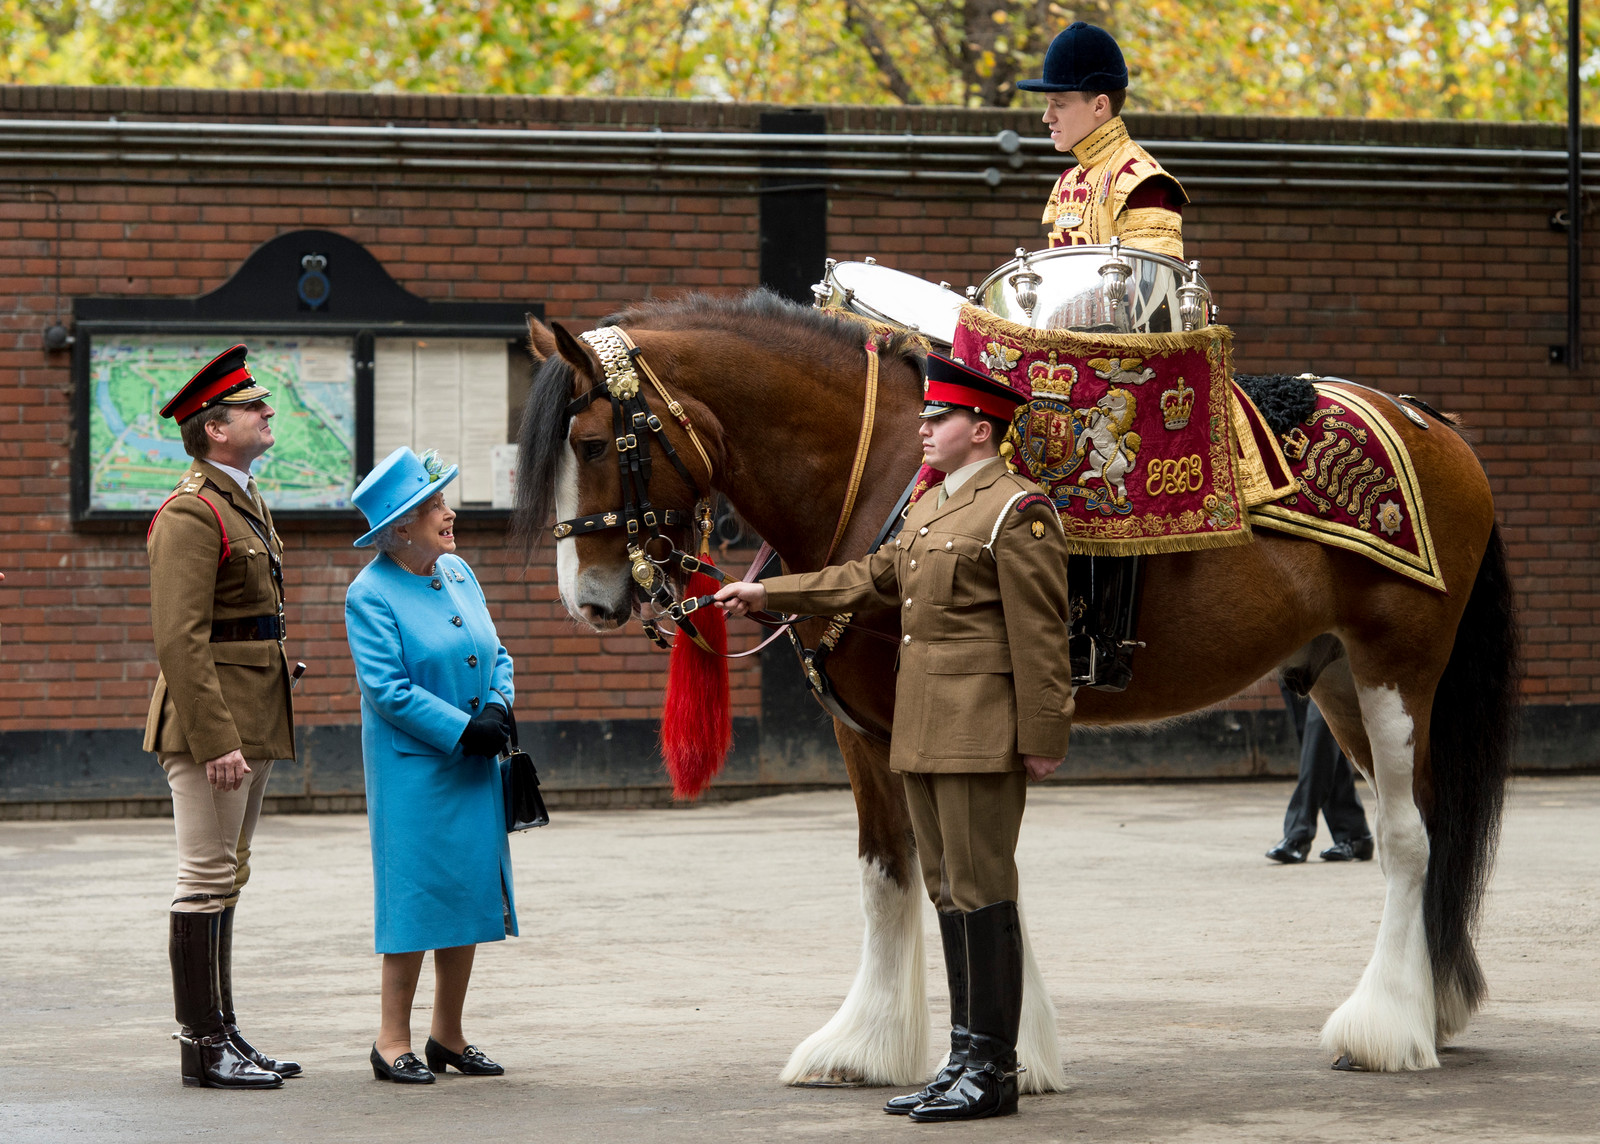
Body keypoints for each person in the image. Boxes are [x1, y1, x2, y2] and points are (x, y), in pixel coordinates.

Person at [715, 355, 1074, 1122]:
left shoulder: (1018, 510)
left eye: (938, 418)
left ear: (980, 430)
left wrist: (1044, 735)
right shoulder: (930, 508)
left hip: (981, 732)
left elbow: (1042, 637)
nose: (923, 427)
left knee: (984, 893)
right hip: (921, 730)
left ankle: (995, 1070)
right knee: (946, 893)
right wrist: (767, 594)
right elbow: (869, 577)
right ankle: (963, 1056)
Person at [144, 344, 298, 1089]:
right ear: (214, 428)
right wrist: (215, 740)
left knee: (229, 876)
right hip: (214, 729)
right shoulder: (191, 510)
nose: (266, 413)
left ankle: (226, 1033)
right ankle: (201, 1047)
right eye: (250, 407)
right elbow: (180, 638)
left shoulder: (241, 498)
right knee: (204, 878)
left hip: (250, 716)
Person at [344, 446, 519, 1085]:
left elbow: (496, 652)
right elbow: (386, 690)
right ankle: (392, 1040)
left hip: (474, 763)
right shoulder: (370, 595)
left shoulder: (459, 572)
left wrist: (497, 708)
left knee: (468, 892)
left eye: (443, 501)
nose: (450, 513)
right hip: (415, 772)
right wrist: (461, 729)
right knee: (413, 900)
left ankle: (448, 1033)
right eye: (435, 505)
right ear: (400, 527)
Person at [1019, 21, 1187, 259]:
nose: (1047, 117)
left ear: (1099, 105)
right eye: (1048, 104)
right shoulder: (1068, 180)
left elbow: (1153, 291)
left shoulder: (1142, 181)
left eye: (1060, 104)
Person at [1267, 685, 1375, 863]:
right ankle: (1354, 834)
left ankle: (1298, 834)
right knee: (1320, 744)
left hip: (1332, 660)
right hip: (1290, 658)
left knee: (1320, 730)